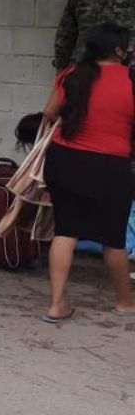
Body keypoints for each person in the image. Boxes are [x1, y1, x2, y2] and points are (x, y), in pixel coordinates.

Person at [39, 22, 135, 323]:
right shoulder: (131, 79)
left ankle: (57, 305)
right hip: (110, 167)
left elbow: (49, 112)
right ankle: (124, 302)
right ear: (118, 51)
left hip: (64, 161)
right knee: (113, 237)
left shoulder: (71, 74)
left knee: (65, 231)